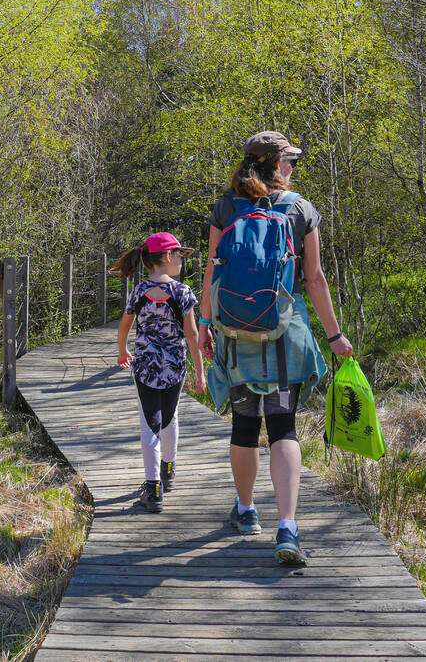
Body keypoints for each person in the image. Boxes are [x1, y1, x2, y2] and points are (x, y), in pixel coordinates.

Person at [200, 130, 355, 564]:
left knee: (245, 424)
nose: (291, 167)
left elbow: (212, 272)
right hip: (285, 332)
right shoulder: (300, 209)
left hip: (235, 331)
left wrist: (205, 324)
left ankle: (247, 512)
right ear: (272, 163)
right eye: (288, 161)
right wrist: (333, 334)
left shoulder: (226, 207)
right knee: (283, 424)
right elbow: (315, 280)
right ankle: (287, 527)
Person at [113, 232, 207, 513]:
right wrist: (200, 371)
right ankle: (168, 472)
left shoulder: (139, 291)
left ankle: (153, 488)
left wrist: (122, 351)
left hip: (144, 368)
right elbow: (191, 335)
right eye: (179, 254)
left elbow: (124, 326)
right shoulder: (183, 292)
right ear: (166, 257)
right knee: (170, 417)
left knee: (148, 423)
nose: (181, 260)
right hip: (174, 368)